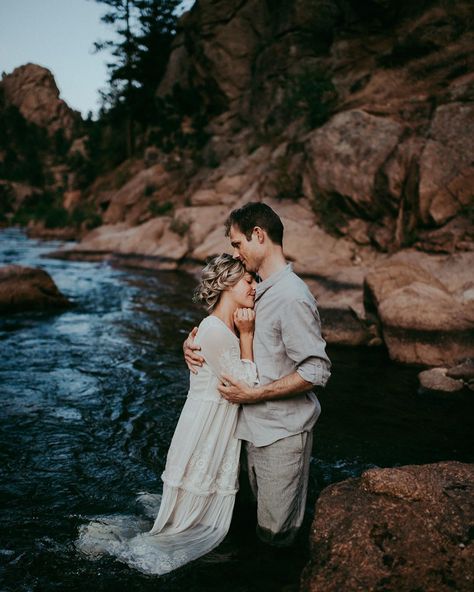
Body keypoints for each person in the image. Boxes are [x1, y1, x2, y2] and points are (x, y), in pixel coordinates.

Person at [76, 254, 258, 575]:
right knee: (191, 525)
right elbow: (247, 384)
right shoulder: (215, 330)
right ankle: (128, 542)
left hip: (210, 422)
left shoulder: (218, 328)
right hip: (206, 426)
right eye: (248, 280)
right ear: (227, 284)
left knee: (193, 507)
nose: (254, 286)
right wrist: (247, 336)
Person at [184, 202, 331, 547]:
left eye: (237, 244)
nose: (235, 252)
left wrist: (255, 394)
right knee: (246, 531)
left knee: (275, 537)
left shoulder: (292, 297)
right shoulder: (257, 289)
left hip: (281, 436)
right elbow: (228, 339)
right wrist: (191, 344)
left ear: (258, 236)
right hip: (245, 432)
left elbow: (317, 370)